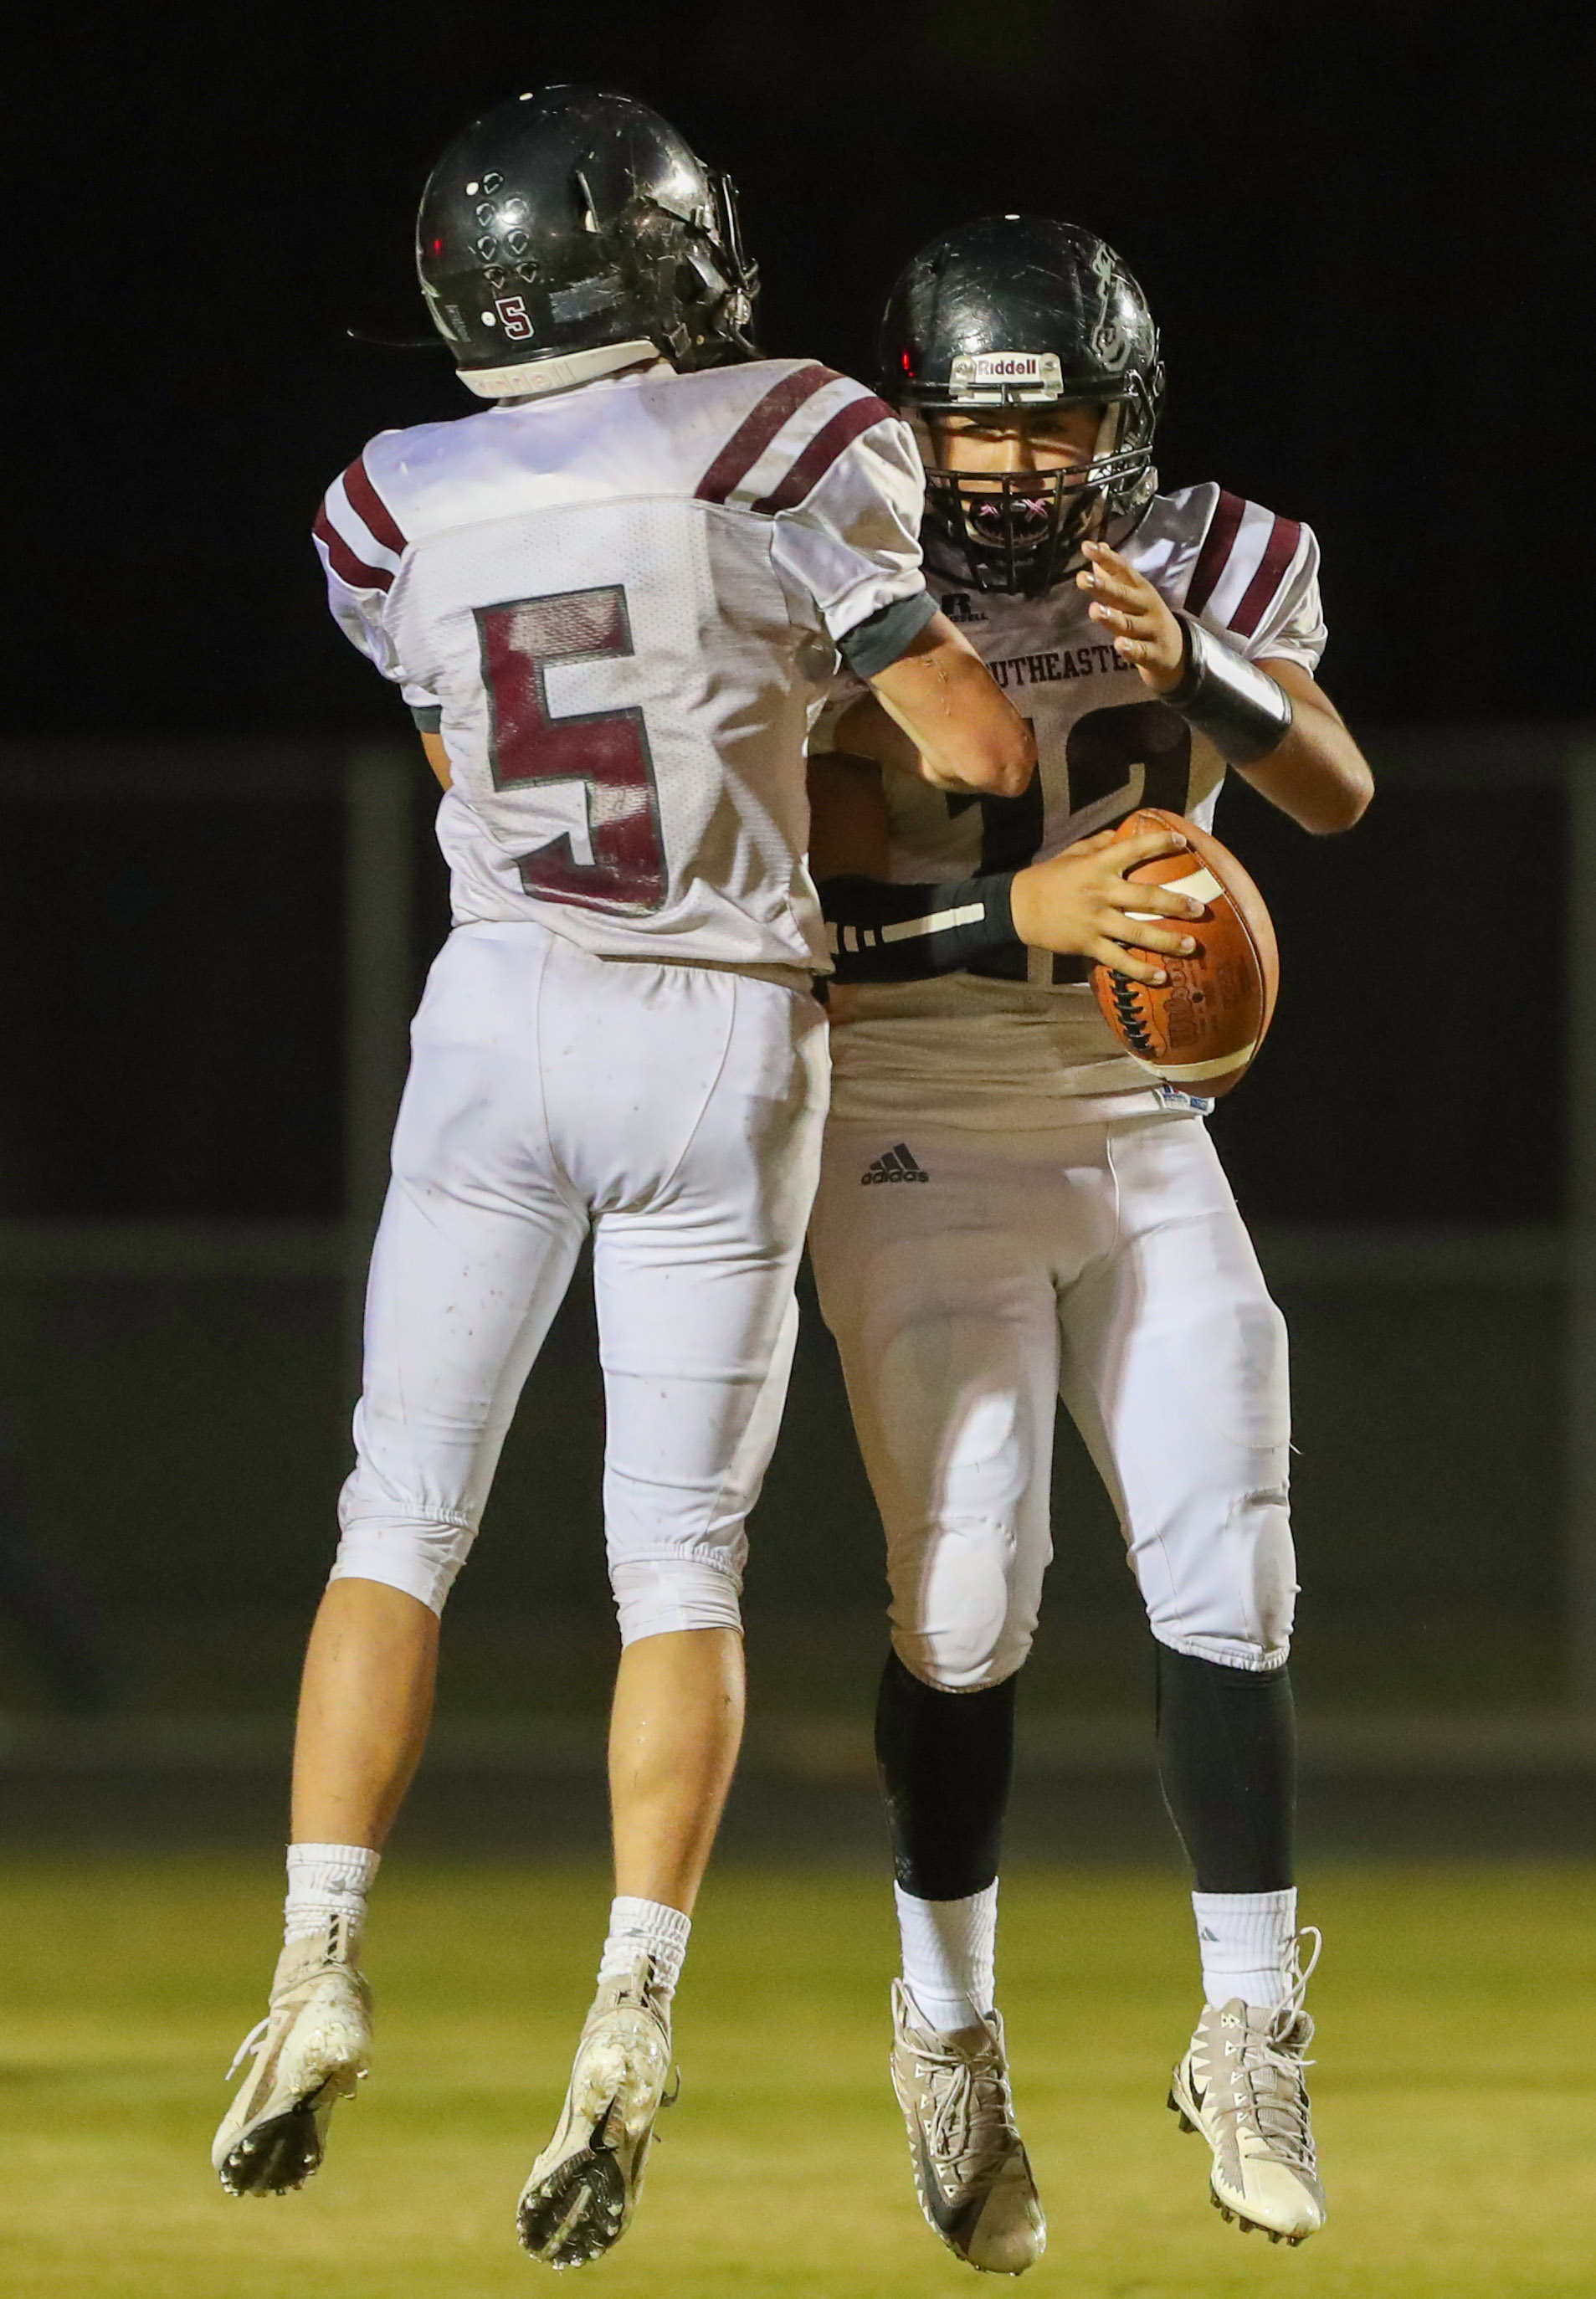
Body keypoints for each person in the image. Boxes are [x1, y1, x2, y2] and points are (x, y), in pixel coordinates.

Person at [211, 93, 1032, 2268]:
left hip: (497, 1011)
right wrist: (817, 703)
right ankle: (628, 2008)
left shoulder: (386, 499)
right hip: (714, 1026)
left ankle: (312, 1967)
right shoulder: (784, 433)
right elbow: (972, 748)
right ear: (657, 256)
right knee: (675, 1564)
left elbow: (465, 742)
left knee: (398, 1517)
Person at [806, 213, 1373, 2268]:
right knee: (971, 1595)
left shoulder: (1216, 554)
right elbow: (808, 927)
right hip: (917, 1115)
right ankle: (950, 2032)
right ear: (914, 426)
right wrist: (1012, 916)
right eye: (975, 426)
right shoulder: (847, 563)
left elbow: (1333, 788)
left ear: (1122, 422)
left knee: (1235, 1544)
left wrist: (1197, 662)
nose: (1013, 464)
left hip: (1140, 1118)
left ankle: (1250, 2029)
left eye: (1051, 422)